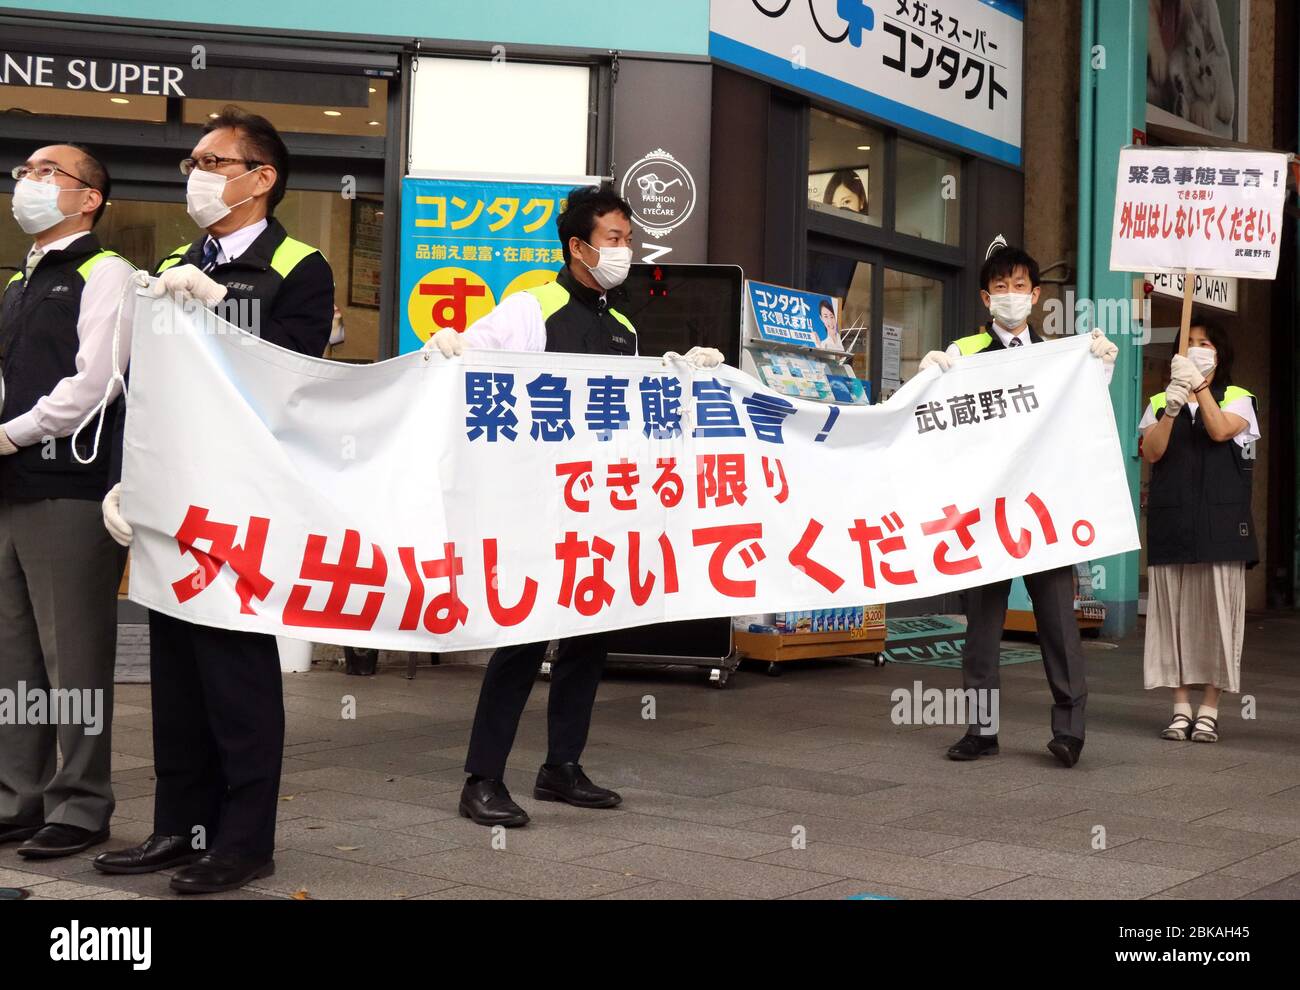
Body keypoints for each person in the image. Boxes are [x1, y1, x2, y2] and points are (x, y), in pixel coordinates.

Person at [94, 106, 334, 893]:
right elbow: (147, 389)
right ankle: (178, 828)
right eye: (193, 161)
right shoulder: (171, 259)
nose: (195, 174)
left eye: (213, 160)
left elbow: (294, 385)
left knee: (237, 677)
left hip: (242, 502)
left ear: (261, 178)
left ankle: (242, 841)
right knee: (178, 679)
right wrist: (125, 475)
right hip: (173, 498)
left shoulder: (299, 266)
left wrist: (220, 316)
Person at [428, 185, 722, 827]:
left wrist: (680, 381)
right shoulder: (530, 309)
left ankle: (561, 767)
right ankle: (482, 777)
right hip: (532, 505)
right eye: (615, 239)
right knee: (522, 641)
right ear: (578, 246)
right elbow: (471, 365)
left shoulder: (622, 328)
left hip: (596, 509)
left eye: (628, 239)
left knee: (589, 637)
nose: (626, 251)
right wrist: (449, 350)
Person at [919, 243, 1118, 768]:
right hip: (984, 515)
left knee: (1059, 624)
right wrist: (929, 379)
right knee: (982, 628)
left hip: (1043, 512)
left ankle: (1070, 731)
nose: (1012, 297)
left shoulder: (1060, 356)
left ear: (1035, 295)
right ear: (987, 298)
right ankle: (981, 731)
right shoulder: (963, 353)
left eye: (1021, 287)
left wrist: (1100, 371)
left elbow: (1086, 416)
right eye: (1001, 288)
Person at [0, 144, 132, 859]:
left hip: (68, 488)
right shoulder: (21, 281)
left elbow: (96, 382)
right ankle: (17, 796)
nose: (31, 182)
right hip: (11, 491)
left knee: (72, 659)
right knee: (14, 659)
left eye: (50, 172)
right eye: (26, 172)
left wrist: (10, 436)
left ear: (90, 198)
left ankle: (81, 804)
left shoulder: (103, 272)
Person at [1139, 318, 1258, 744]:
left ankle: (1210, 707)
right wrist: (1171, 408)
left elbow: (1220, 429)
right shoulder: (1158, 399)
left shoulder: (1239, 398)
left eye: (1204, 343)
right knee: (1173, 617)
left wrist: (1200, 389)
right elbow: (1151, 452)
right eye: (1188, 343)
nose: (1196, 348)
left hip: (1222, 526)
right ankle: (1179, 707)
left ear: (1218, 353)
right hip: (1173, 524)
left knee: (1218, 619)